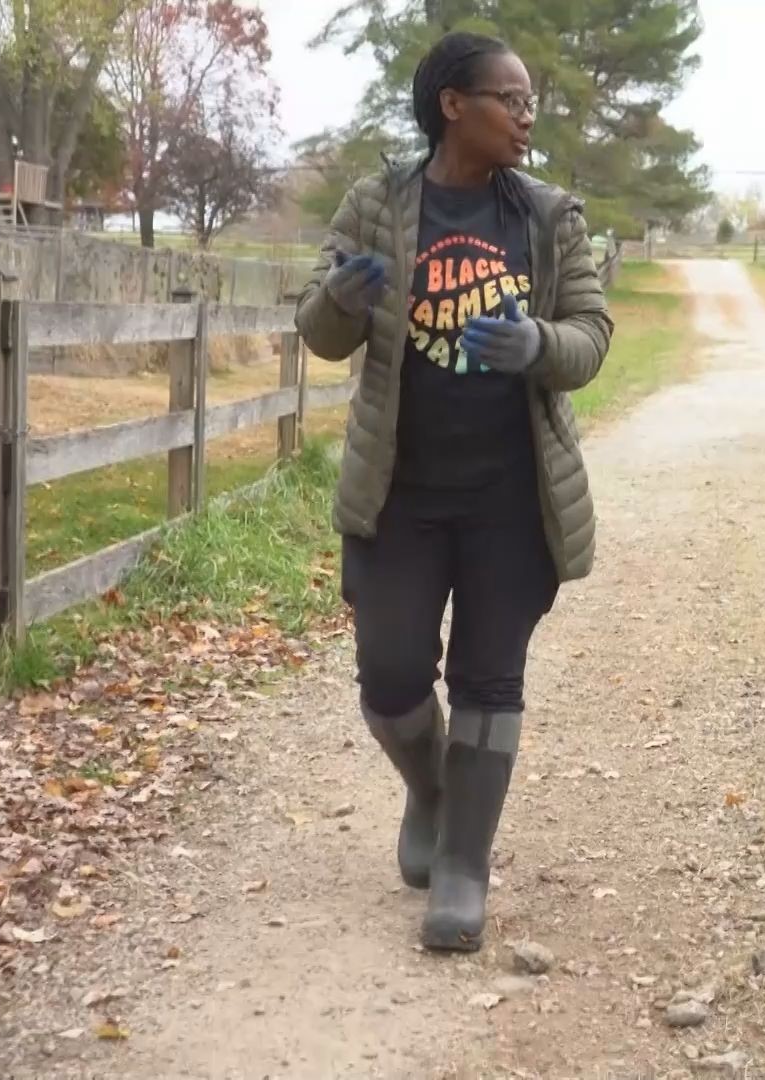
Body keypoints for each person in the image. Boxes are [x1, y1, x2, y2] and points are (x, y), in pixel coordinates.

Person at [293, 30, 613, 951]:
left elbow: (591, 334)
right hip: (400, 491)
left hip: (511, 496)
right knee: (390, 675)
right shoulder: (378, 203)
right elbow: (319, 332)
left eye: (530, 102)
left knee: (488, 677)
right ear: (453, 105)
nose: (526, 116)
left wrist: (537, 344)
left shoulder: (547, 215)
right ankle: (433, 791)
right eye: (510, 100)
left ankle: (464, 865)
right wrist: (341, 301)